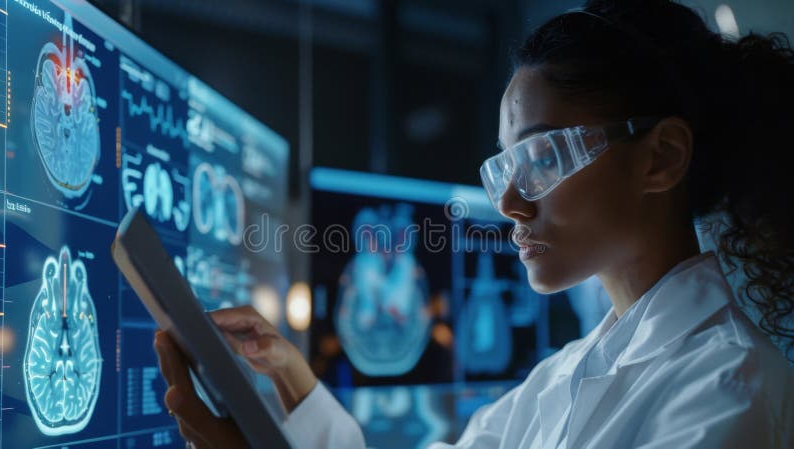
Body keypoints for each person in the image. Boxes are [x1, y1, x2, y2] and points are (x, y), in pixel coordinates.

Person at [153, 0, 794, 447]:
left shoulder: (727, 391)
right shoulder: (565, 375)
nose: (511, 203)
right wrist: (292, 376)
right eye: (505, 167)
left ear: (662, 157)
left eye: (543, 157)